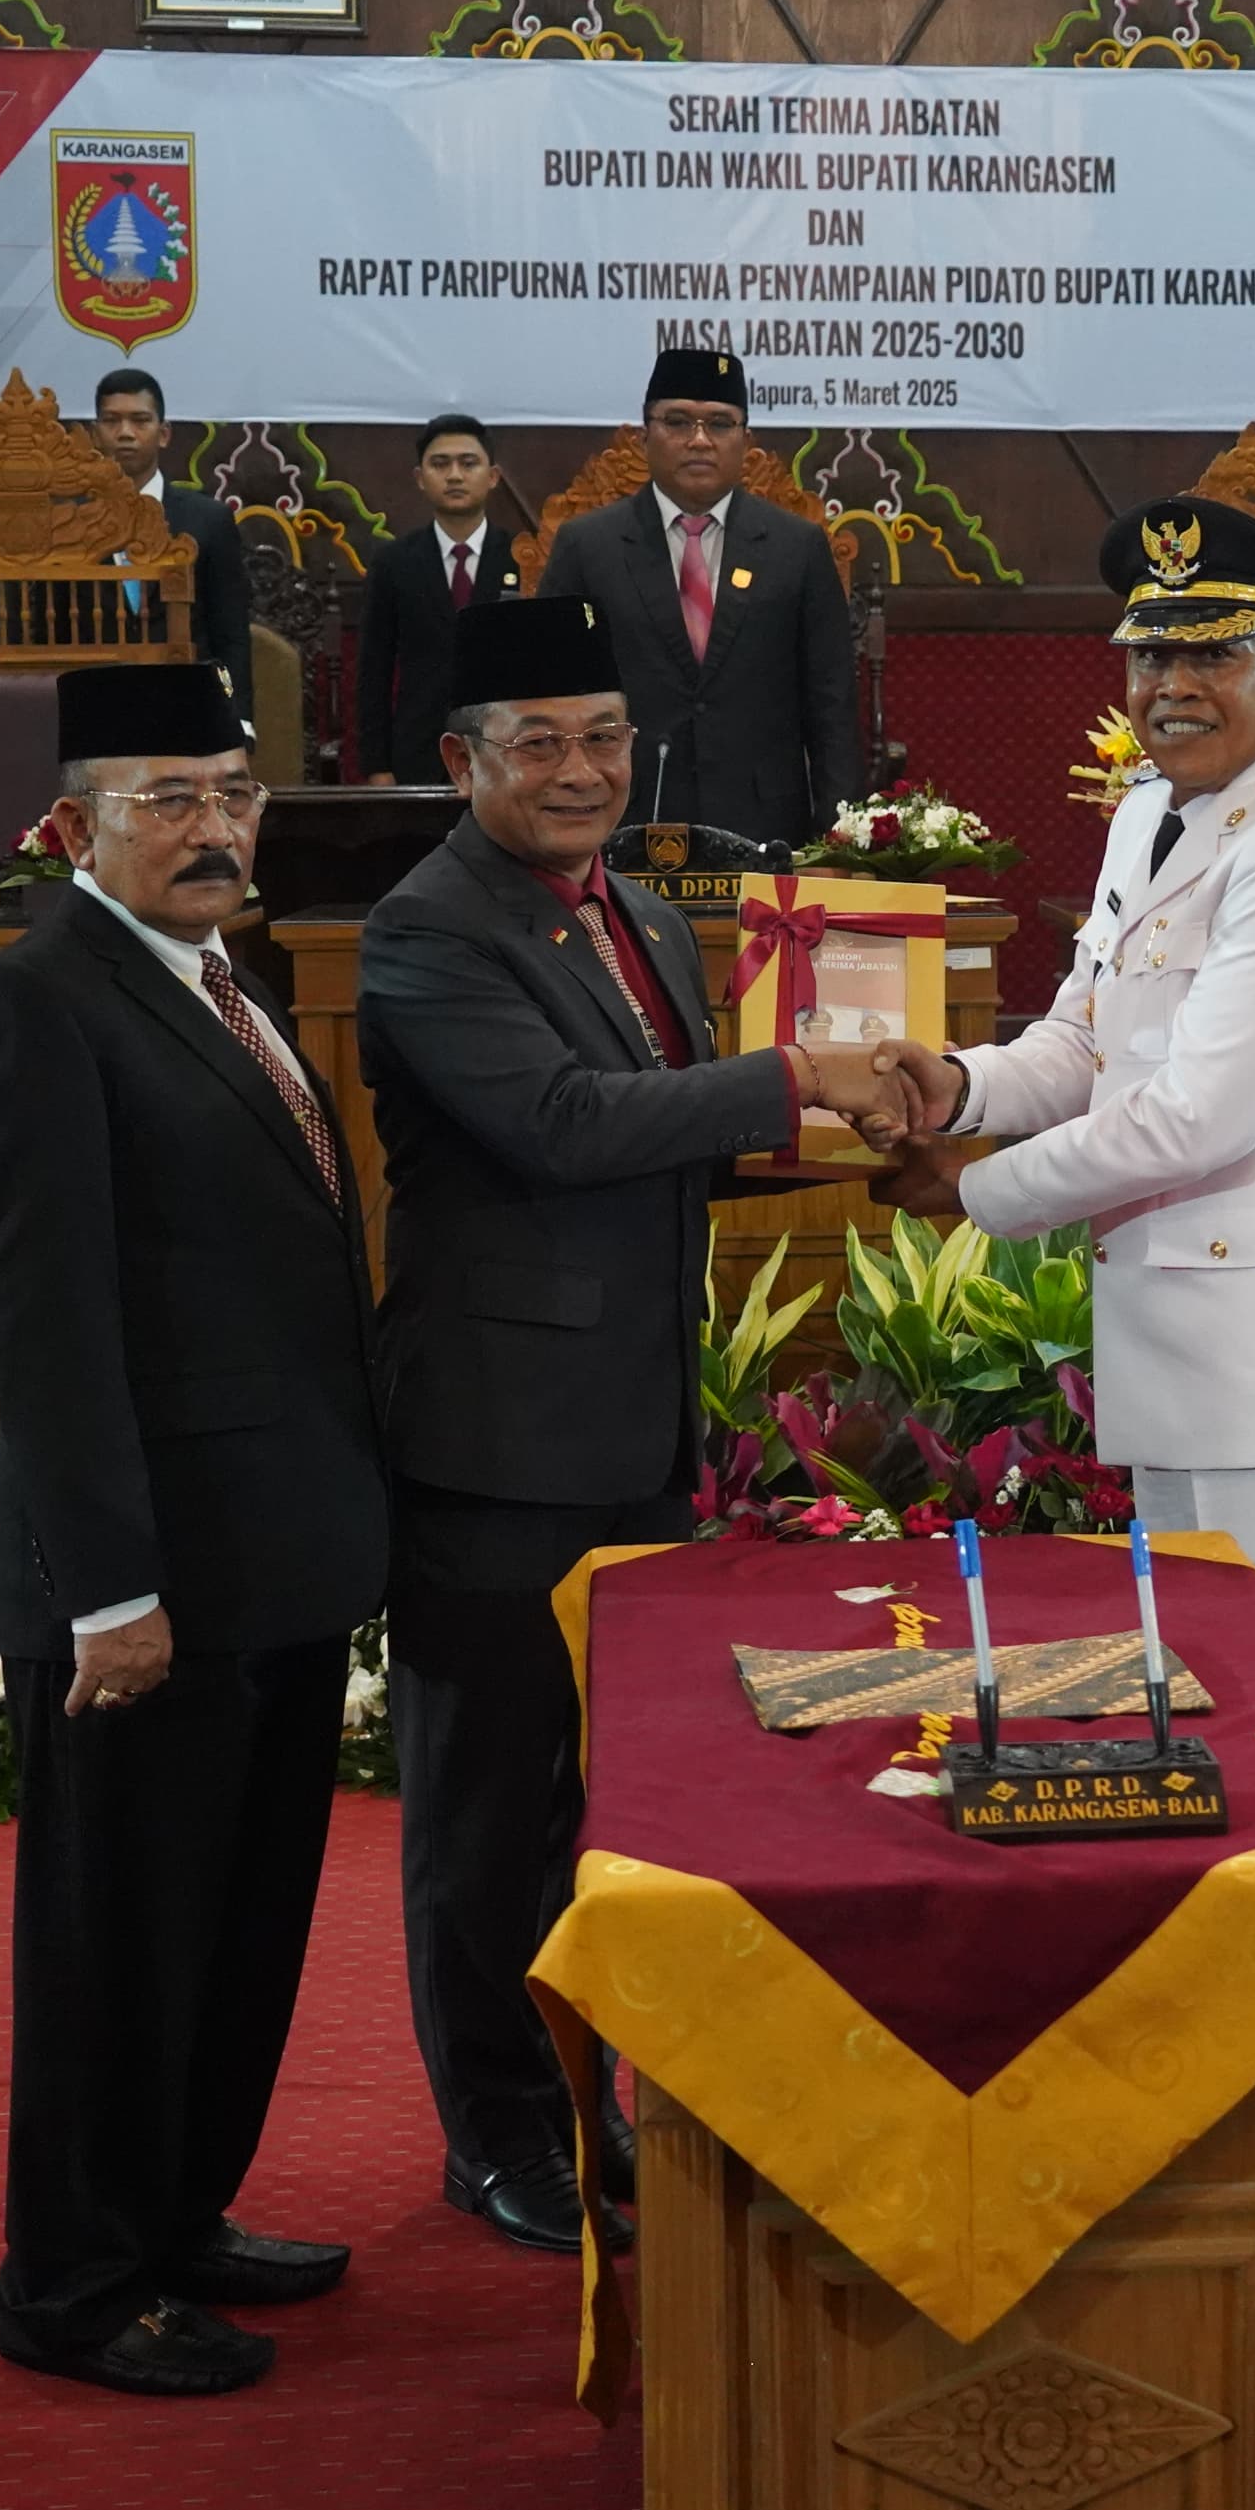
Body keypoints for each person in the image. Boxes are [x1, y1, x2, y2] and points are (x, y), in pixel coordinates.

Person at [353, 595, 901, 2256]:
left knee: (605, 1808)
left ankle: (590, 2100)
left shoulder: (649, 920)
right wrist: (802, 1071)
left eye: (604, 737)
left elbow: (684, 1144)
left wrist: (911, 1123)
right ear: (461, 760)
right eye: (540, 745)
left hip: (632, 1437)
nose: (582, 771)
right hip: (496, 1447)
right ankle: (498, 2132)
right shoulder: (426, 929)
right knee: (484, 1814)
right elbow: (565, 1123)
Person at [0, 662, 390, 2397]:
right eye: (166, 800)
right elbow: (44, 1332)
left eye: (231, 792)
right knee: (120, 1945)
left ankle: (180, 2212)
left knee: (233, 1925)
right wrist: (107, 1589)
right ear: (72, 826)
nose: (212, 829)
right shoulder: (34, 1002)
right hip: (149, 1591)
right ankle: (72, 2277)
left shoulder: (222, 979)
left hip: (265, 1563)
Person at [866, 499, 1255, 1701]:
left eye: (1211, 652)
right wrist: (957, 1087)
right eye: (1149, 653)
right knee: (1209, 1709)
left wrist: (976, 1186)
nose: (1171, 684)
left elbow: (1197, 1113)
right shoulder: (1147, 817)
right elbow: (1084, 1039)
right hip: (1180, 1351)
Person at [537, 346, 860, 845]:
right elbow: (553, 689)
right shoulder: (588, 546)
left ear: (746, 440)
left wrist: (840, 832)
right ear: (645, 435)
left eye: (720, 423)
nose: (700, 440)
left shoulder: (798, 546)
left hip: (765, 822)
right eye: (678, 421)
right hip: (623, 814)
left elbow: (831, 701)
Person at [353, 415, 519, 786]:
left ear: (492, 476)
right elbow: (373, 670)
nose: (455, 475)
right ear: (420, 478)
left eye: (468, 463)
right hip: (417, 751)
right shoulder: (394, 562)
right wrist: (378, 766)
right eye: (441, 464)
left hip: (506, 748)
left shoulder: (523, 556)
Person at [89, 368, 256, 720]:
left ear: (163, 434)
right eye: (111, 421)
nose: (125, 434)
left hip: (191, 707)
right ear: (95, 433)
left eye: (140, 421)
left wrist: (236, 717)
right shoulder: (69, 522)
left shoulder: (208, 520)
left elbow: (230, 635)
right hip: (97, 708)